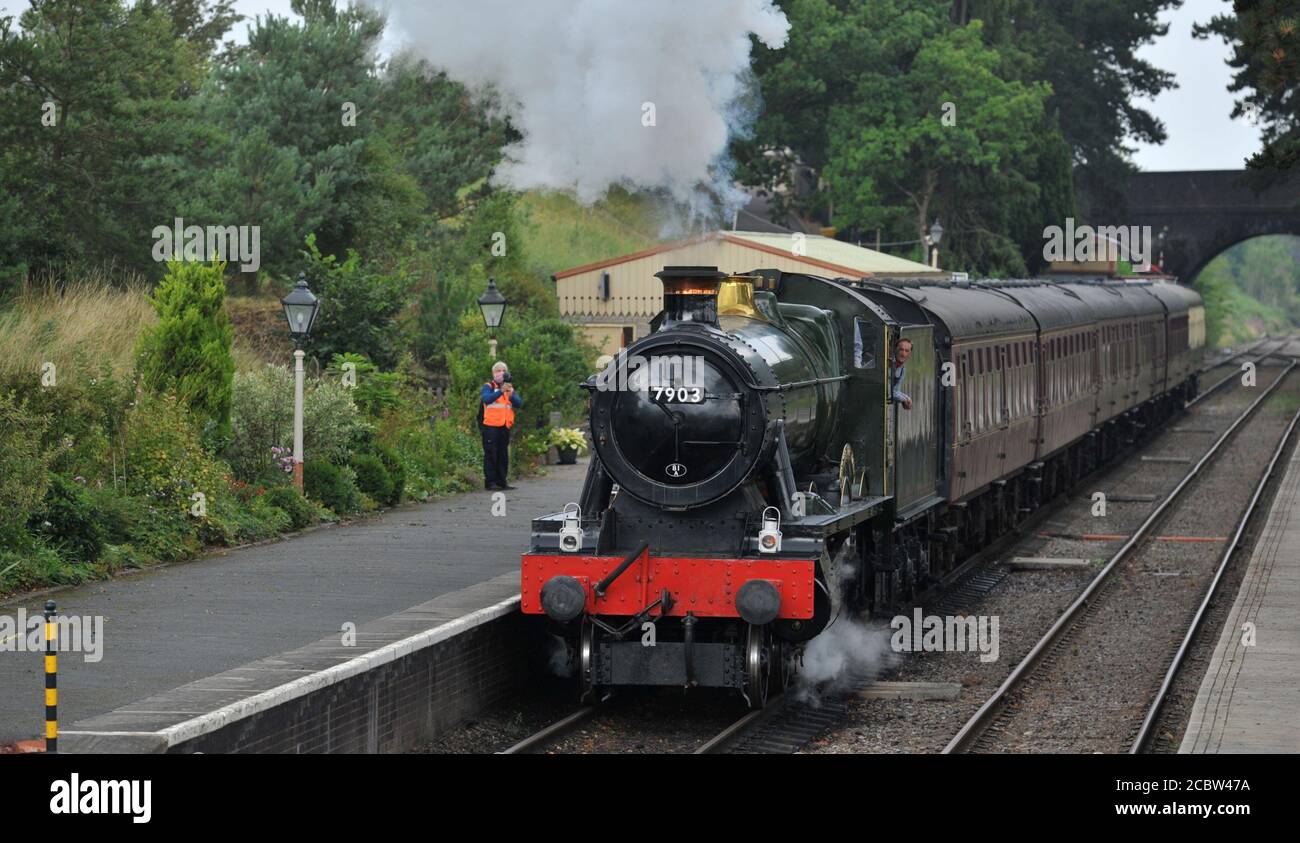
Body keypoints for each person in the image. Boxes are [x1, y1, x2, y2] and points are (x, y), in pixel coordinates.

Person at [481, 361, 522, 490]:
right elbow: (486, 399)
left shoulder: (509, 388)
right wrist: (500, 391)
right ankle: (491, 482)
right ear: (493, 373)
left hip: (504, 426)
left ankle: (502, 481)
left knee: (503, 455)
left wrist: (510, 394)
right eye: (498, 371)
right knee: (491, 454)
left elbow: (518, 403)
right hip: (491, 426)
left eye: (503, 370)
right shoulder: (489, 386)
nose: (501, 373)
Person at [891, 337, 913, 410]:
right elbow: (888, 392)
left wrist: (907, 398)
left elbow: (896, 390)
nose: (903, 354)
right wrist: (904, 399)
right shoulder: (888, 363)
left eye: (906, 351)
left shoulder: (902, 369)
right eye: (901, 350)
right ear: (895, 350)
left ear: (910, 354)